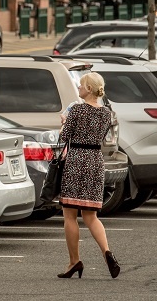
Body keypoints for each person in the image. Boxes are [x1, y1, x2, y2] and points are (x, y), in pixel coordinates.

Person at [57, 72, 120, 279]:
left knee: (70, 215)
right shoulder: (106, 113)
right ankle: (107, 252)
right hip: (94, 161)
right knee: (91, 215)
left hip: (76, 159)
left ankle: (74, 261)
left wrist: (64, 121)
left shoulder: (76, 110)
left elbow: (64, 137)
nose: (78, 88)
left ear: (89, 89)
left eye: (81, 85)